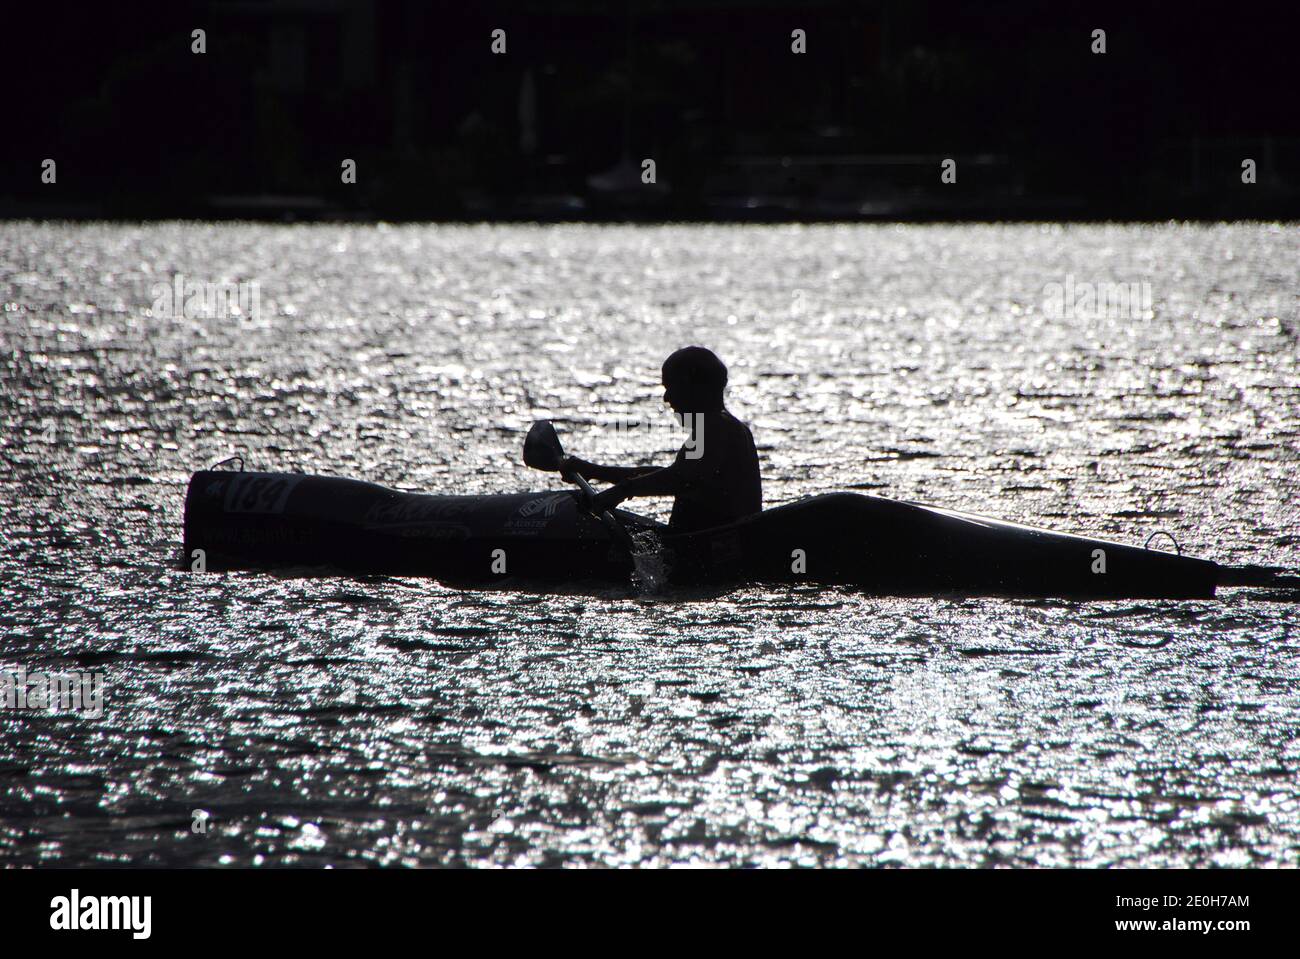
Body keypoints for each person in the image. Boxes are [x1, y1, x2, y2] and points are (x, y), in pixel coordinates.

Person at [560, 347, 762, 532]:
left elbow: (679, 480)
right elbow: (672, 475)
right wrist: (594, 471)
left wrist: (622, 491)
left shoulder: (718, 428)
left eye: (671, 387)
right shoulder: (721, 427)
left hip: (713, 548)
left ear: (691, 385)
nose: (666, 398)